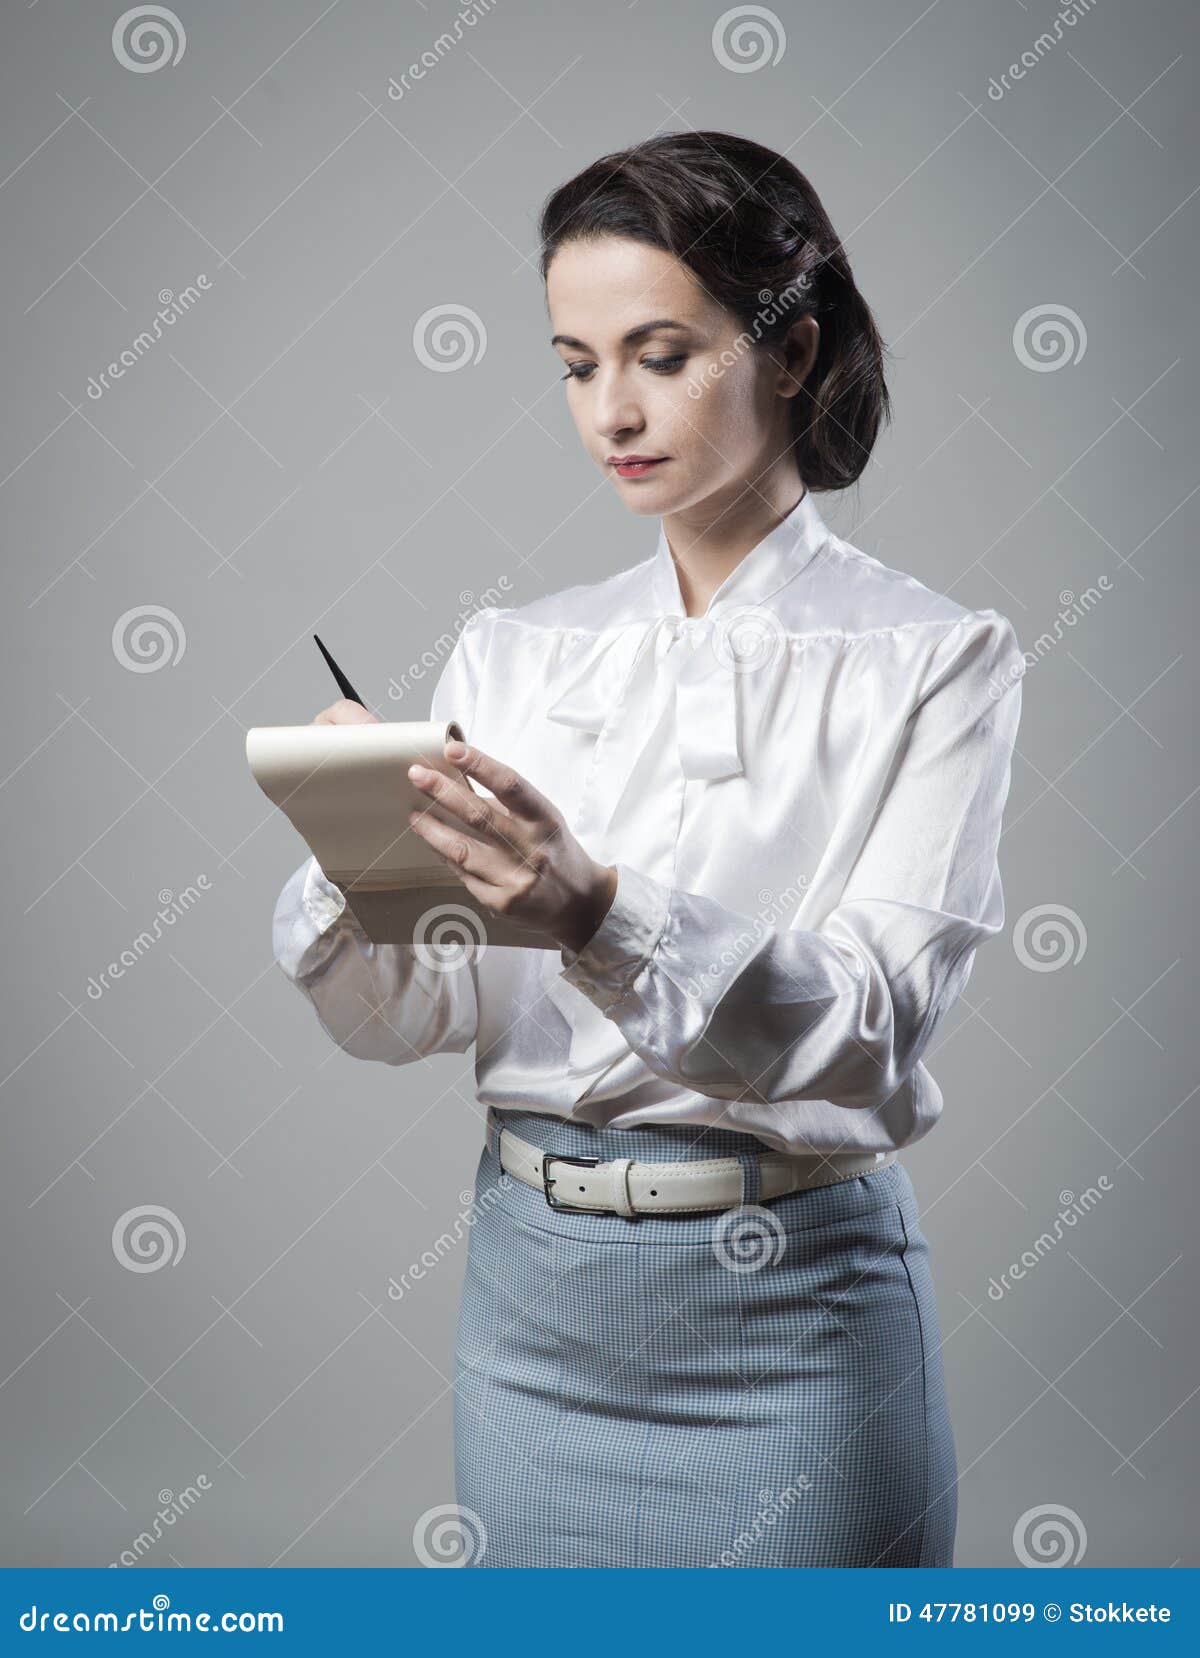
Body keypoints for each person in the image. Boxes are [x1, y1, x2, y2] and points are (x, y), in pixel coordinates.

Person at [272, 131, 1024, 1568]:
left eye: (661, 354)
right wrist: (364, 850)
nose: (609, 408)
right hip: (532, 1308)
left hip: (799, 1306)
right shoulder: (517, 648)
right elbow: (422, 1012)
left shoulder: (937, 658)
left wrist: (598, 909)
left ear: (791, 351)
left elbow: (870, 1032)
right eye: (574, 363)